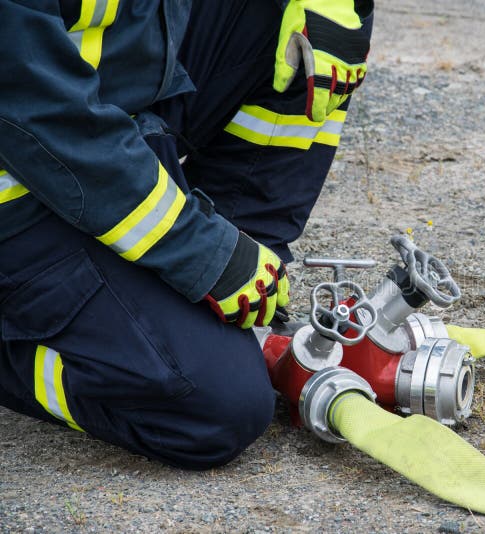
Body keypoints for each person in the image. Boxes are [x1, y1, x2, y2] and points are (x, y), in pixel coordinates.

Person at [0, 0, 373, 470]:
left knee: (327, 18)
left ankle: (228, 313)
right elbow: (35, 114)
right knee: (214, 409)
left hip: (112, 111)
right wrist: (207, 255)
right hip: (23, 183)